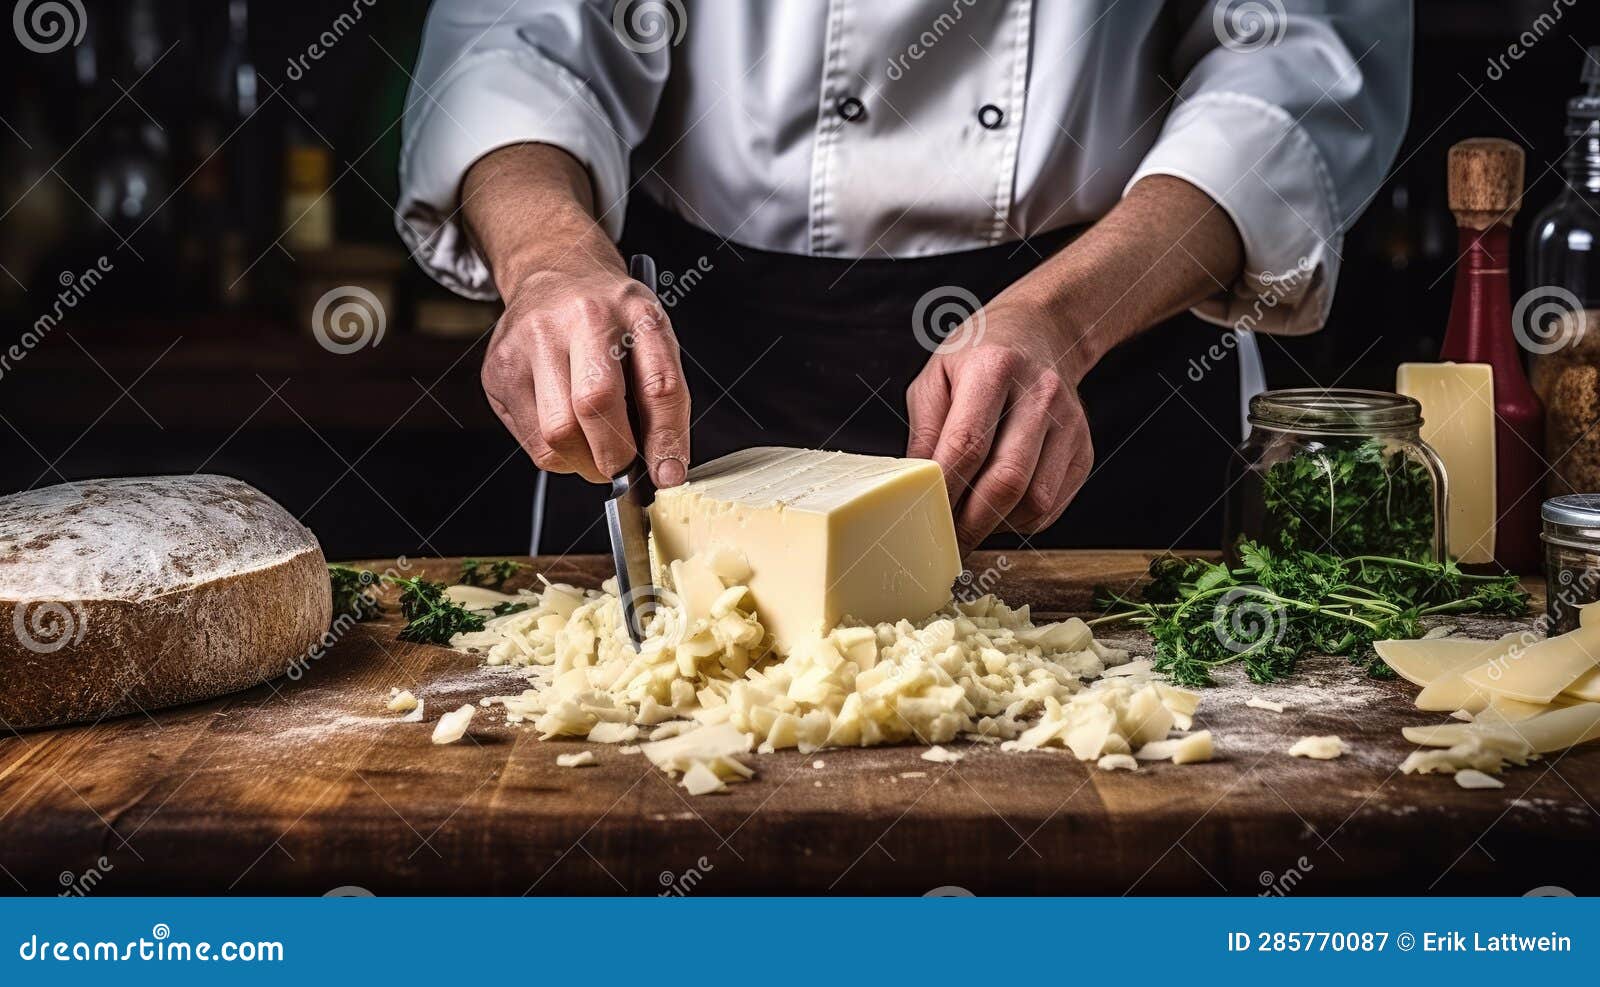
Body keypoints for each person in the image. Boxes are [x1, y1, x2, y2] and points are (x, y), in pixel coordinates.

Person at [397, 0, 1410, 554]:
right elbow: (516, 39)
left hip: (1105, 358)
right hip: (696, 370)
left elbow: (1297, 62)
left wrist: (1066, 315)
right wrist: (547, 256)